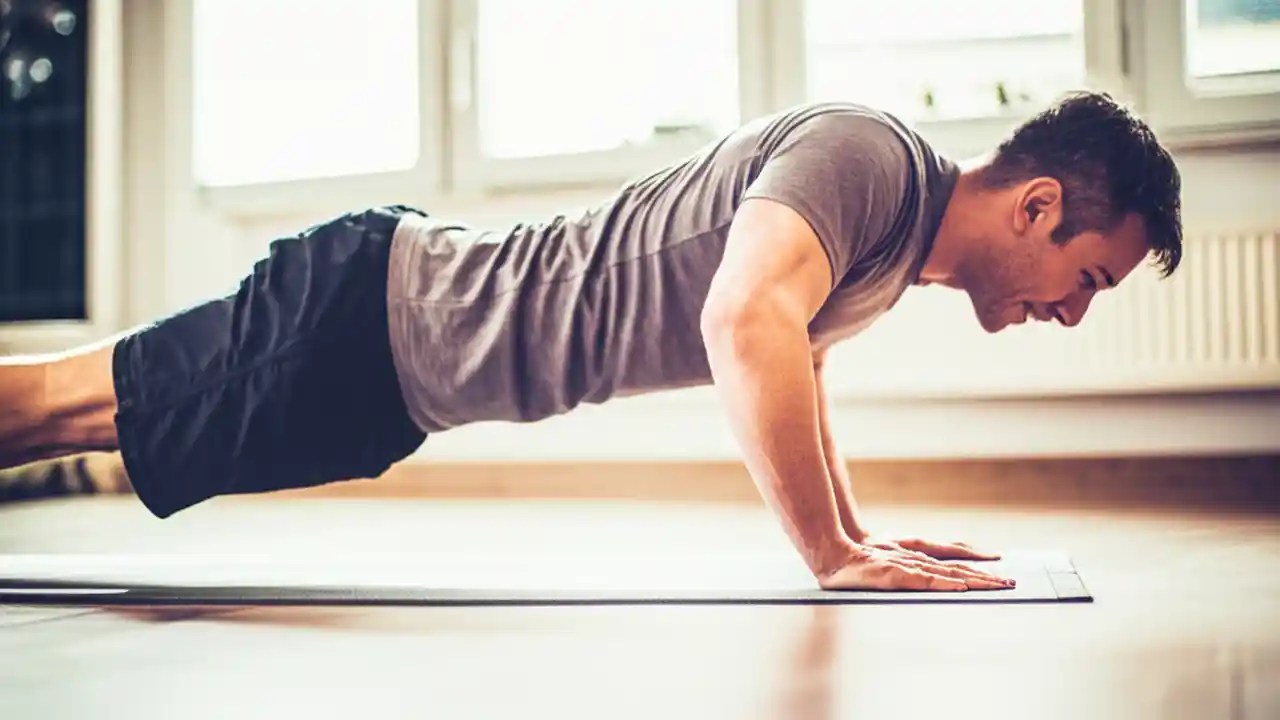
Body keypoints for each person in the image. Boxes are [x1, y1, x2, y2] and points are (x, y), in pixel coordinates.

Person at [0, 91, 1182, 593]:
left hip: (390, 383)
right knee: (69, 402)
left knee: (110, 419)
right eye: (1083, 279)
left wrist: (858, 534)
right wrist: (825, 550)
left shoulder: (887, 247)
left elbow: (795, 355)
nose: (1069, 312)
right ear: (1033, 206)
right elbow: (742, 319)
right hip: (367, 317)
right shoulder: (866, 158)